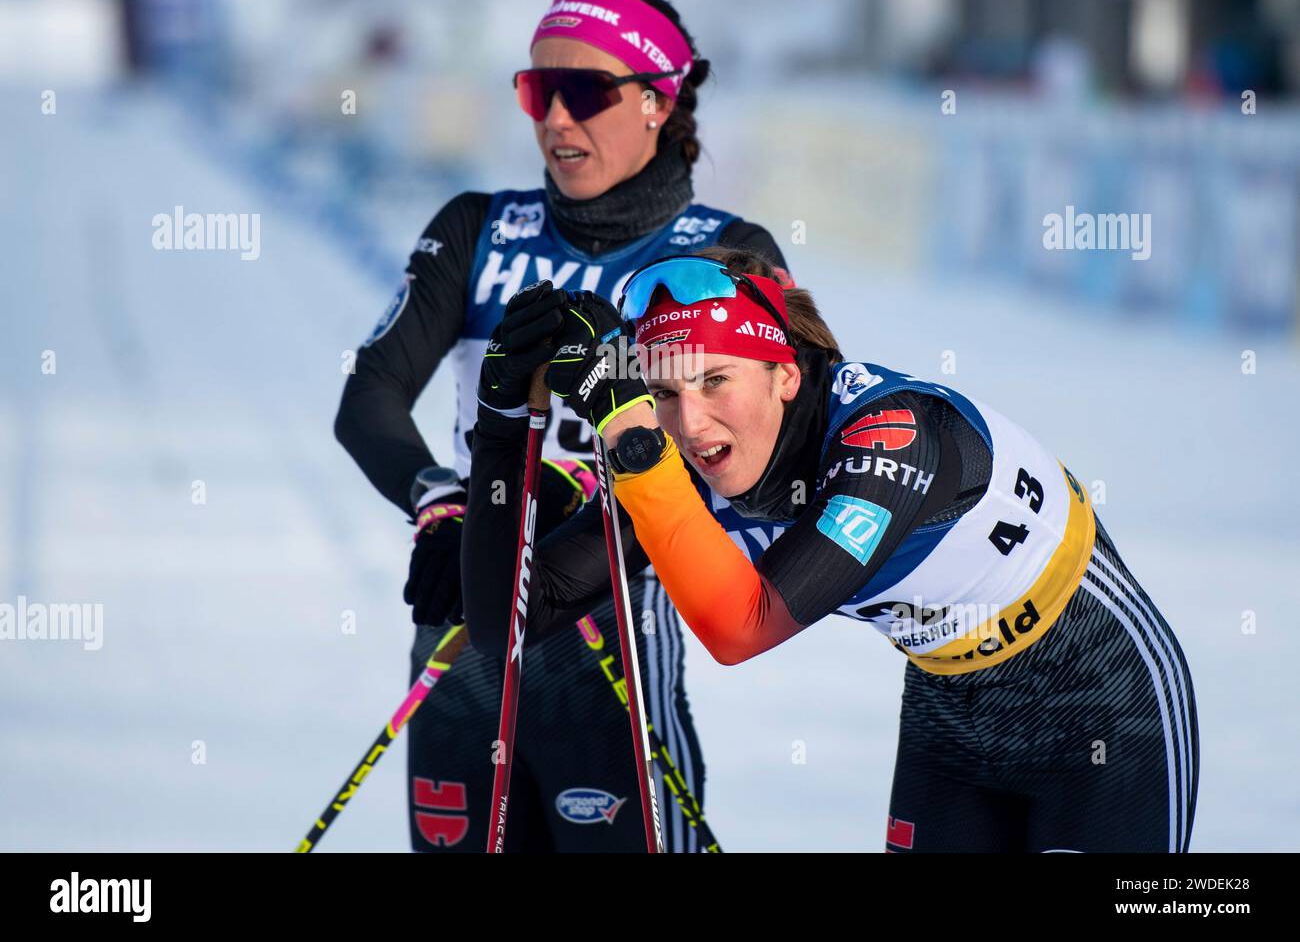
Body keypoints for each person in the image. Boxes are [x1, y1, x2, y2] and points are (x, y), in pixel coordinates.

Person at [462, 247, 1200, 853]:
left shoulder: (891, 432)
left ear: (784, 373)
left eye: (715, 380)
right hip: (948, 702)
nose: (690, 423)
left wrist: (628, 434)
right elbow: (510, 624)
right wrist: (498, 426)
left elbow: (742, 625)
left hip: (1097, 691)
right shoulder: (688, 456)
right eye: (661, 393)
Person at [334, 0, 788, 851]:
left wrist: (581, 484)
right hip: (468, 615)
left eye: (585, 92)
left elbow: (761, 463)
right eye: (538, 91)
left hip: (611, 628)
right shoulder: (476, 229)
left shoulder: (727, 256)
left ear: (659, 100)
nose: (555, 120)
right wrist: (442, 501)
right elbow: (370, 398)